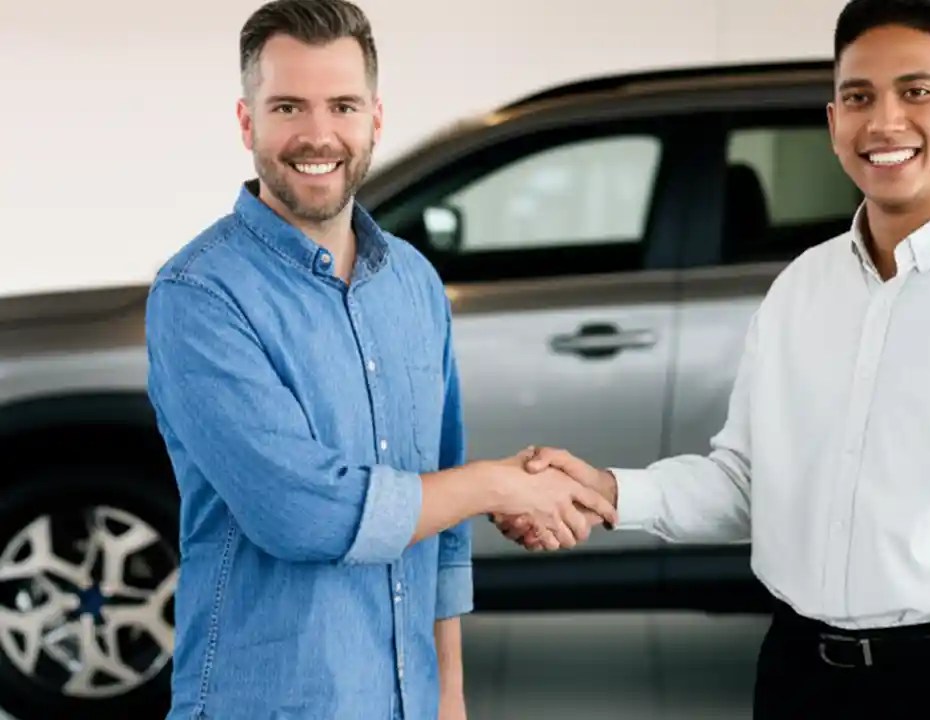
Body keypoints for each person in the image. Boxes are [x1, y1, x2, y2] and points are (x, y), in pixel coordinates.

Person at [498, 0, 930, 717]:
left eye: (917, 91)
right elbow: (747, 483)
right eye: (858, 97)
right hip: (797, 678)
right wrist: (606, 491)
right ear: (834, 121)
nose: (885, 122)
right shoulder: (800, 290)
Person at [144, 1, 616, 718]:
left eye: (342, 105)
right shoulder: (200, 295)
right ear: (248, 123)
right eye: (288, 107)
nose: (318, 134)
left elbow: (443, 528)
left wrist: (449, 699)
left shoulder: (416, 284)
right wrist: (497, 485)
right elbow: (303, 513)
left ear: (376, 118)